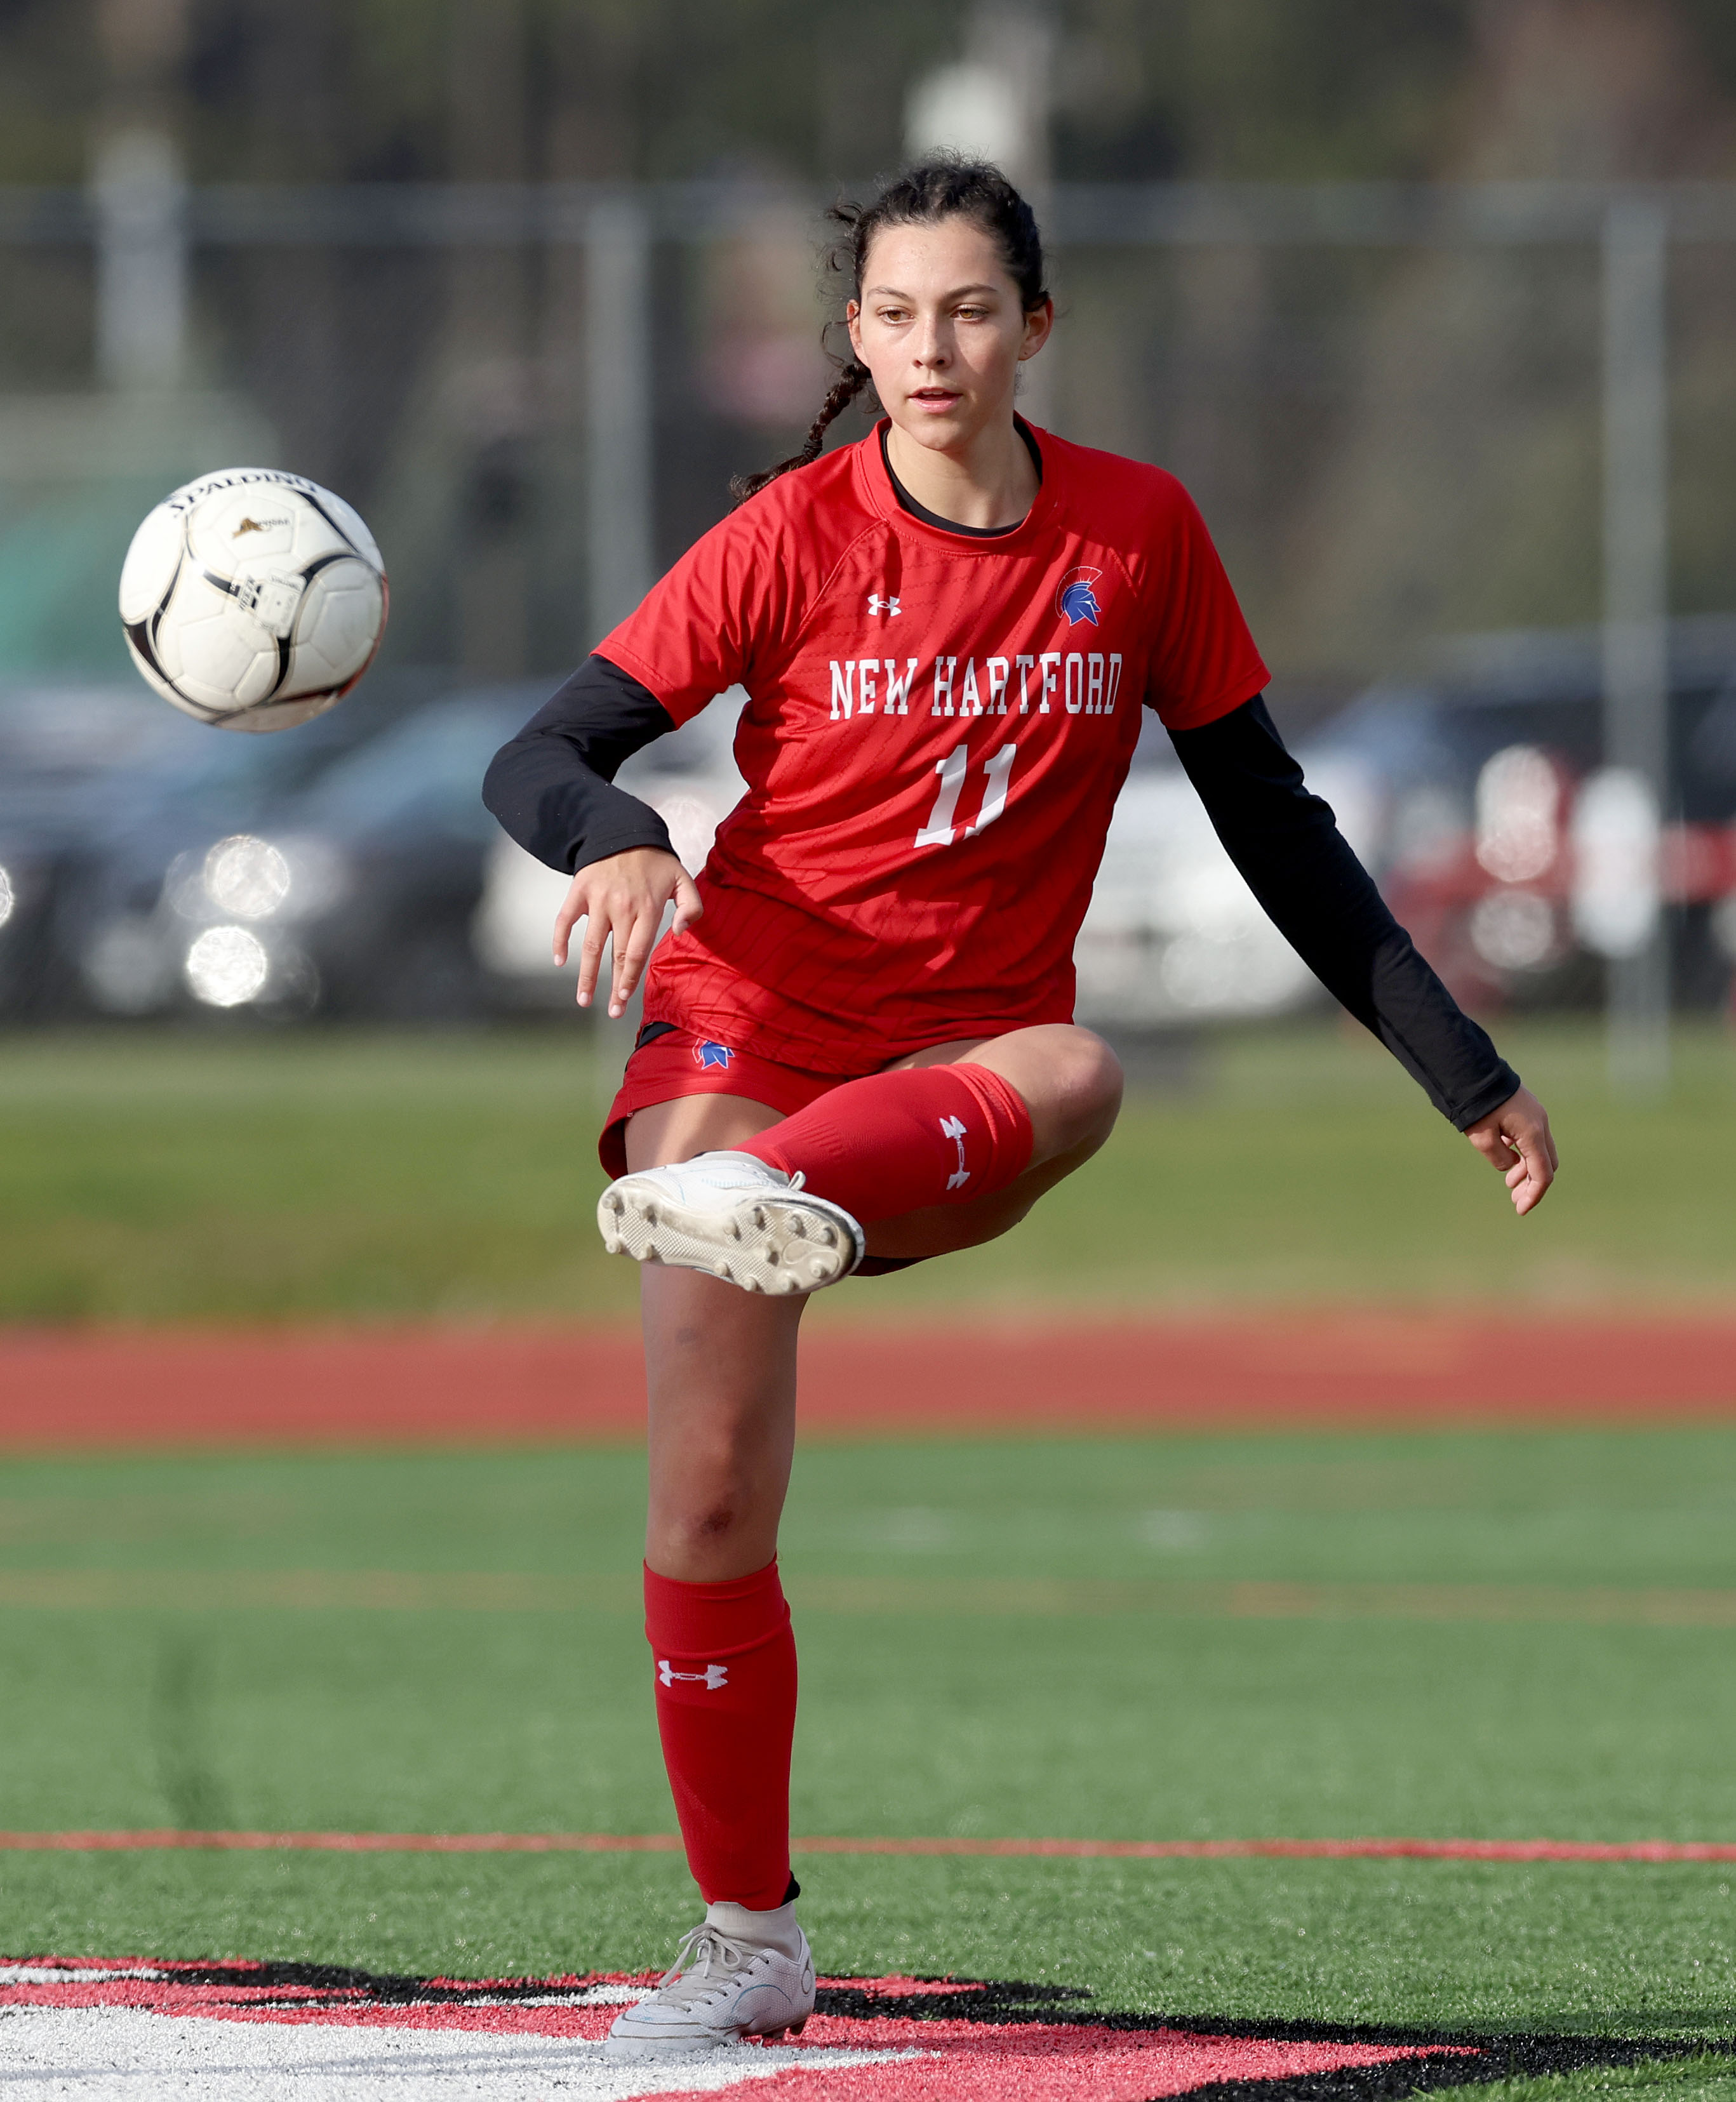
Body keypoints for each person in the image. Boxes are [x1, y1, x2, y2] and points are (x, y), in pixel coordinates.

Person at [483, 156, 1556, 2061]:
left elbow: (1276, 829)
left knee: (1086, 1068)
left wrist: (1458, 1070)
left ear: (1036, 328)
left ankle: (766, 1197)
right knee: (711, 1489)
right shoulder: (792, 532)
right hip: (744, 1024)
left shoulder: (1138, 537)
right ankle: (748, 1943)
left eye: (968, 310)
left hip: (955, 1067)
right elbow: (543, 748)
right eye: (891, 314)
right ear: (854, 335)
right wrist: (626, 837)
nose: (927, 348)